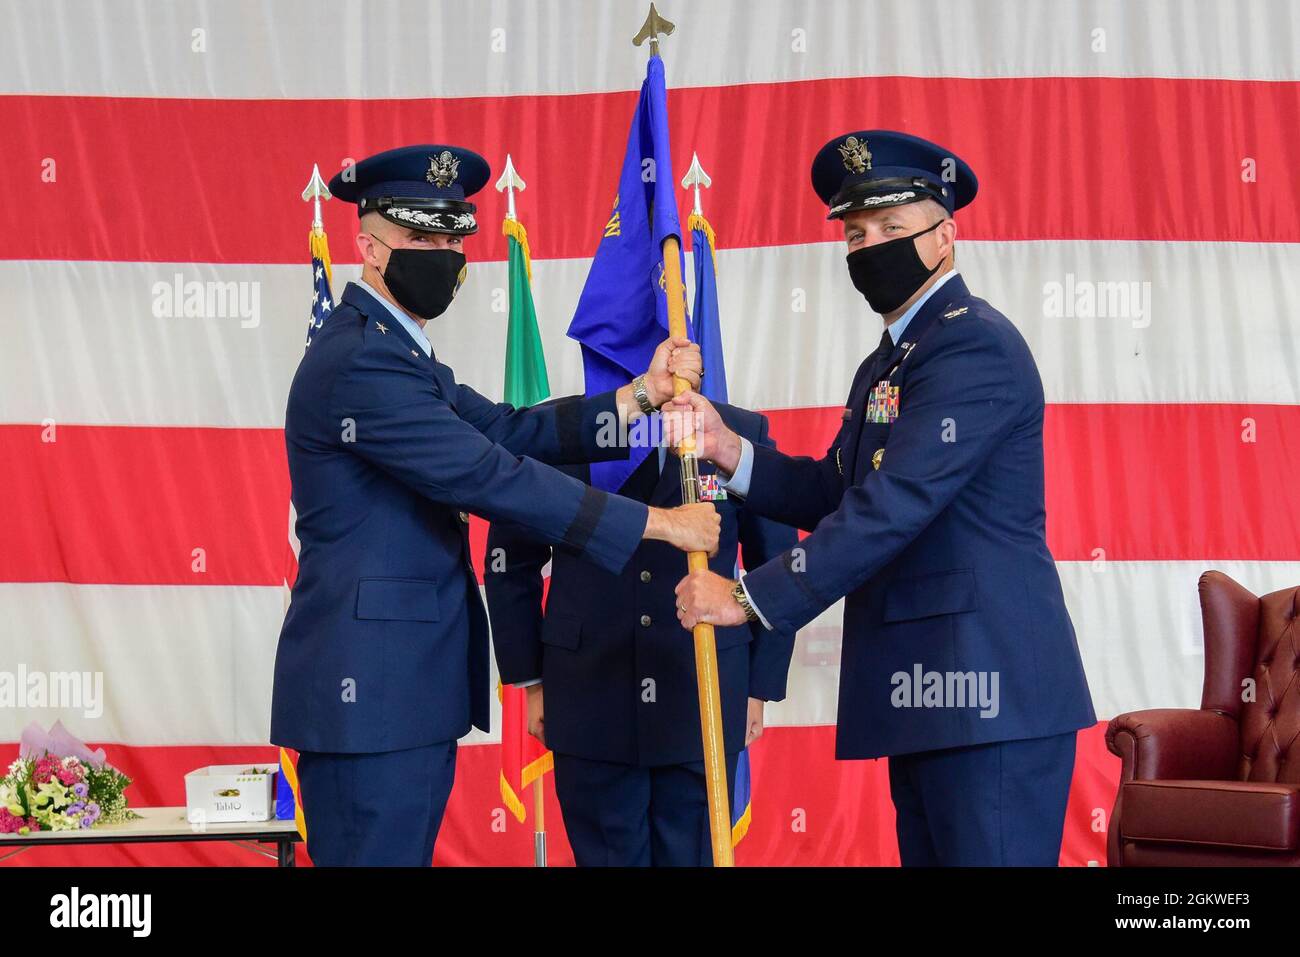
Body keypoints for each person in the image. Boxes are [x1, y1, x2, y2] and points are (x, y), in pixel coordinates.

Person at [270, 144, 719, 866]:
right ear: (368, 247)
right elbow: (492, 475)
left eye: (452, 237)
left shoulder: (404, 355)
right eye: (420, 238)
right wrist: (659, 523)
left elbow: (514, 429)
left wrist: (641, 394)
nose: (442, 254)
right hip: (370, 701)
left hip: (401, 694)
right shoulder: (361, 360)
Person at [667, 130, 1095, 866]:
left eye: (894, 228)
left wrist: (747, 598)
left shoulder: (973, 347)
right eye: (857, 232)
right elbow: (837, 488)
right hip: (930, 693)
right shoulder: (890, 359)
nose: (871, 246)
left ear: (945, 238)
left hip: (987, 692)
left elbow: (893, 504)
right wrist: (727, 449)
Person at [485, 406, 797, 866]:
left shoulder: (736, 432)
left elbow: (778, 559)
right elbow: (511, 562)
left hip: (702, 691)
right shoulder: (564, 427)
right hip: (588, 695)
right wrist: (531, 680)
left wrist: (759, 687)